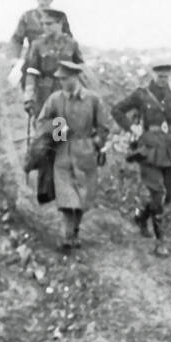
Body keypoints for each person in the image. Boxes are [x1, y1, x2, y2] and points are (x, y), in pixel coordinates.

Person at [110, 63, 171, 248]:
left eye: (166, 76)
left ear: (170, 76)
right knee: (157, 193)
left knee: (169, 195)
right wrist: (131, 127)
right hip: (147, 149)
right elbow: (117, 110)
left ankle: (141, 217)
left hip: (167, 149)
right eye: (160, 76)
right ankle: (160, 241)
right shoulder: (141, 94)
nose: (163, 79)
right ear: (153, 75)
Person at [33, 60, 110, 252]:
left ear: (75, 78)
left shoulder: (93, 100)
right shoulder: (55, 99)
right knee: (67, 197)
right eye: (59, 79)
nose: (61, 82)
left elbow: (104, 128)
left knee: (82, 198)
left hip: (86, 153)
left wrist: (95, 144)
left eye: (65, 78)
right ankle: (68, 235)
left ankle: (75, 231)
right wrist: (58, 126)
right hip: (62, 153)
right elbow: (41, 121)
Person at [8, 0, 73, 85]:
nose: (42, 1)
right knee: (31, 94)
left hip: (54, 63)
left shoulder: (59, 17)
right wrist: (14, 58)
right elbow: (16, 39)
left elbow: (68, 39)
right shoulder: (27, 16)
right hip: (31, 63)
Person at [22, 25, 83, 119]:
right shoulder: (38, 44)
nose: (46, 27)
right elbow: (31, 73)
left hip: (66, 92)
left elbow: (80, 71)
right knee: (43, 126)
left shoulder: (72, 44)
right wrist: (29, 98)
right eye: (44, 24)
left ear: (59, 24)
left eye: (50, 24)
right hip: (44, 93)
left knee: (66, 125)